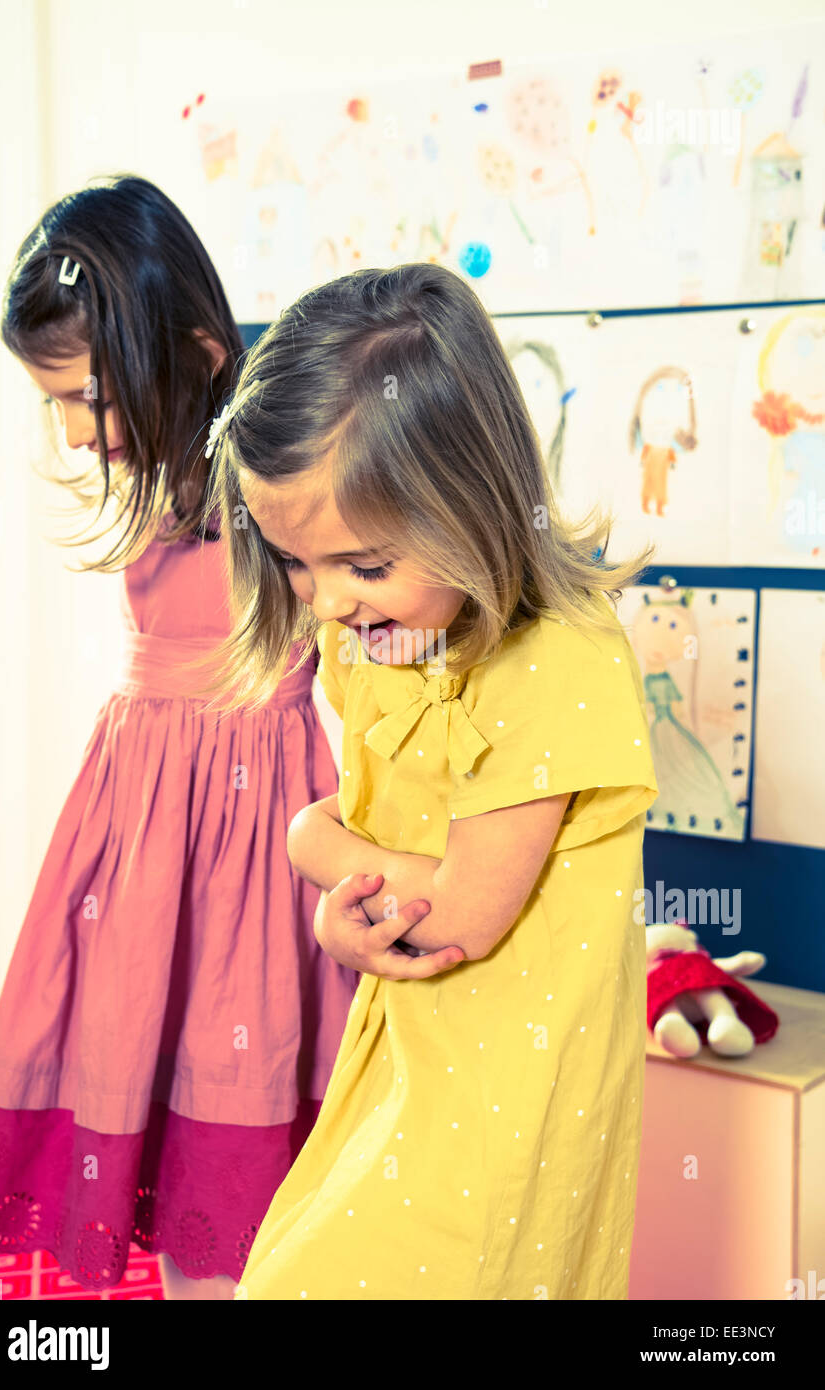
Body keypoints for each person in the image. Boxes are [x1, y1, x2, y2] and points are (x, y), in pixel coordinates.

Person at [200, 261, 661, 1300]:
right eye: (296, 562)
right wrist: (344, 913)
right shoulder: (379, 636)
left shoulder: (558, 660)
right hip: (409, 1048)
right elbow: (388, 852)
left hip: (506, 1084)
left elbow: (457, 908)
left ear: (472, 504)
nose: (326, 602)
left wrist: (311, 843)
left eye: (362, 566)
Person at [0, 175, 357, 1300]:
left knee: (241, 1150)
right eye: (55, 403)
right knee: (152, 1109)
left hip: (247, 838)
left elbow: (358, 652)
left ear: (196, 353)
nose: (76, 432)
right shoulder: (160, 477)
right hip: (138, 832)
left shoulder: (277, 482)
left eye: (87, 397)